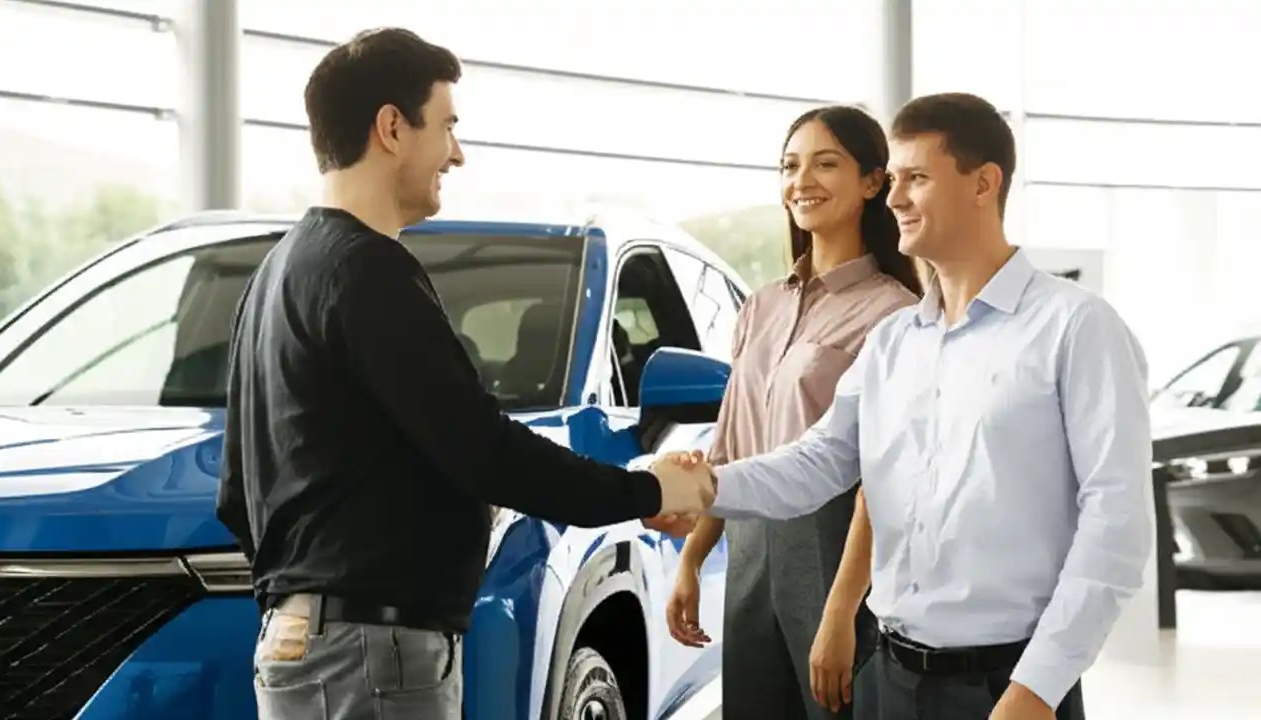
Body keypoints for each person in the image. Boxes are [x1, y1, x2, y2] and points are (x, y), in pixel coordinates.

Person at [214, 28, 712, 720]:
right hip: (373, 651)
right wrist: (648, 486)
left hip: (305, 644)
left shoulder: (277, 273)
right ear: (392, 127)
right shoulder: (368, 270)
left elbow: (237, 493)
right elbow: (482, 450)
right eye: (446, 126)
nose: (456, 152)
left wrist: (307, 596)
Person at [669, 92, 1153, 720]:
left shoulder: (1076, 328)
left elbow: (1116, 525)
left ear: (984, 184)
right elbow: (818, 461)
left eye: (916, 178)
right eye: (893, 179)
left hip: (1007, 685)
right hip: (891, 681)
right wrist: (703, 486)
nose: (893, 197)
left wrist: (1037, 687)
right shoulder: (897, 342)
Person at [664, 105, 920, 720]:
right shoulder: (759, 307)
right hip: (749, 548)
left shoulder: (896, 313)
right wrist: (692, 560)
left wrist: (839, 616)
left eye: (825, 164)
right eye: (790, 165)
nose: (801, 180)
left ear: (871, 182)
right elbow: (731, 451)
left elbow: (882, 481)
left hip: (835, 548)